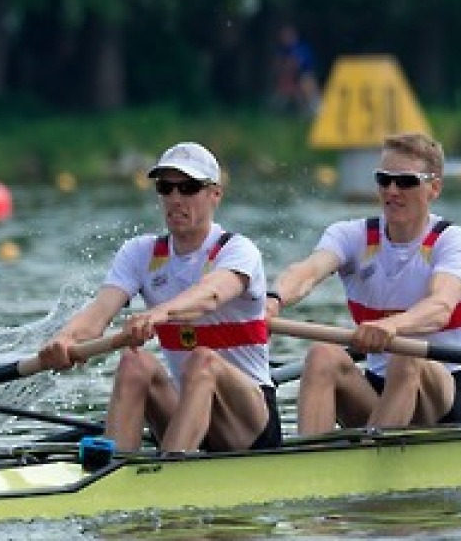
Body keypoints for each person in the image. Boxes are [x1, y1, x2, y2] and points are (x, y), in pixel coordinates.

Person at [37, 141, 280, 453]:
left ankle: (168, 472)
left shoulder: (236, 250)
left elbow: (210, 295)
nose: (175, 199)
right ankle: (114, 474)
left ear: (215, 194)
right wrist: (64, 340)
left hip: (248, 422)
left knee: (202, 359)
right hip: (185, 409)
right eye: (166, 188)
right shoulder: (141, 253)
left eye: (189, 188)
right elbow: (98, 316)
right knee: (133, 361)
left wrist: (156, 315)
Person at [266, 132, 461, 436]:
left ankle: (368, 460)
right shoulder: (351, 235)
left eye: (405, 182)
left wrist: (392, 326)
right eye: (383, 179)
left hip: (439, 394)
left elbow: (441, 306)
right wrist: (273, 300)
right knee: (321, 356)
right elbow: (307, 272)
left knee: (407, 354)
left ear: (434, 188)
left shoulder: (452, 240)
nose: (392, 191)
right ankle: (311, 464)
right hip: (376, 389)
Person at [271, 24, 321, 117]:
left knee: (306, 81)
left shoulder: (301, 48)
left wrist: (285, 69)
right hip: (290, 78)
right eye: (283, 36)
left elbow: (295, 64)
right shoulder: (283, 50)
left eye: (287, 35)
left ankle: (315, 107)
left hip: (304, 76)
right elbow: (277, 66)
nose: (284, 39)